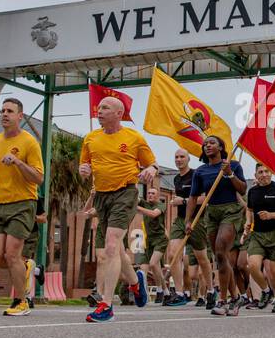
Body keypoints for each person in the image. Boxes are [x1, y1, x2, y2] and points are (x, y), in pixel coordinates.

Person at [81, 96, 157, 322]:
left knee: (111, 247)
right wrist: (83, 169)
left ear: (118, 113)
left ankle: (106, 305)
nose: (99, 111)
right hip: (102, 197)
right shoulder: (90, 138)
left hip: (125, 192)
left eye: (105, 107)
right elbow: (84, 164)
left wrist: (151, 170)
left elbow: (151, 163)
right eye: (99, 107)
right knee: (118, 251)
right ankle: (136, 282)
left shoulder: (133, 137)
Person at [0, 98, 45, 317]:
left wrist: (18, 162)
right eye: (3, 111)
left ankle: (21, 301)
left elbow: (38, 178)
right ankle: (26, 267)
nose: (5, 114)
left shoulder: (29, 142)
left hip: (23, 204)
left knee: (11, 255)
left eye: (10, 111)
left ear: (20, 116)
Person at [187, 135, 244, 315]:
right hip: (211, 213)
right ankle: (236, 298)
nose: (207, 146)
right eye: (205, 144)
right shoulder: (200, 171)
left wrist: (229, 174)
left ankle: (222, 301)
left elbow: (243, 189)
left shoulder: (232, 165)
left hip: (231, 211)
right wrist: (188, 221)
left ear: (221, 147)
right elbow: (193, 197)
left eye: (211, 143)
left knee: (220, 250)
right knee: (221, 258)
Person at [243, 164, 275, 313]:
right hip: (258, 234)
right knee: (252, 265)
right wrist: (248, 221)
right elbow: (249, 209)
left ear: (271, 173)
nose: (264, 174)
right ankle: (266, 291)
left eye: (266, 171)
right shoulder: (252, 191)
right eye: (260, 172)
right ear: (256, 175)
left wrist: (271, 215)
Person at [164, 149, 209, 307]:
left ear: (189, 159)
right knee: (172, 254)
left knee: (202, 258)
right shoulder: (176, 179)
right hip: (180, 220)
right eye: (176, 157)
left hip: (197, 220)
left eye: (182, 156)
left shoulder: (197, 175)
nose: (178, 159)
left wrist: (182, 201)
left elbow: (205, 199)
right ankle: (180, 292)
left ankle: (209, 291)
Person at [137, 187, 170, 305]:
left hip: (160, 239)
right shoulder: (144, 203)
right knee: (151, 267)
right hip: (148, 240)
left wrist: (138, 208)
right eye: (149, 193)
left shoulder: (161, 205)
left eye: (153, 193)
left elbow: (153, 214)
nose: (150, 195)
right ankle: (162, 291)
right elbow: (134, 197)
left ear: (157, 196)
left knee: (153, 263)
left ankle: (165, 291)